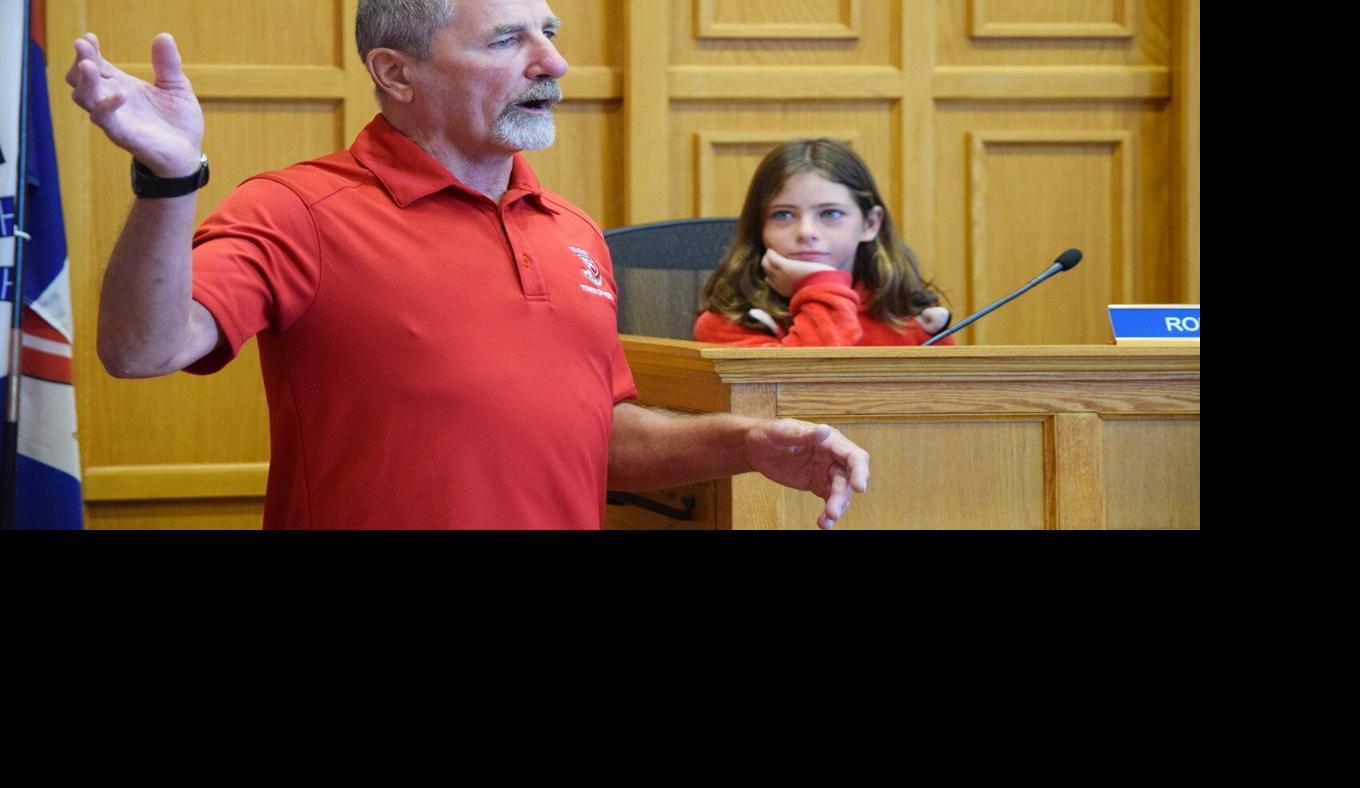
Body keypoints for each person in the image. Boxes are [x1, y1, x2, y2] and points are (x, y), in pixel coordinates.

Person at [64, 0, 868, 530]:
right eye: (507, 40)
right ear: (396, 73)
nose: (551, 63)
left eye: (550, 33)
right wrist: (169, 181)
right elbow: (141, 350)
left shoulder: (574, 231)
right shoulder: (297, 210)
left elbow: (595, 437)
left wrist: (748, 442)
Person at [694, 139, 952, 347]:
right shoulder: (729, 323)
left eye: (830, 214)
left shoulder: (912, 318)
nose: (806, 232)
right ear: (759, 227)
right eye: (783, 215)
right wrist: (822, 286)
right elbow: (797, 391)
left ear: (870, 224)